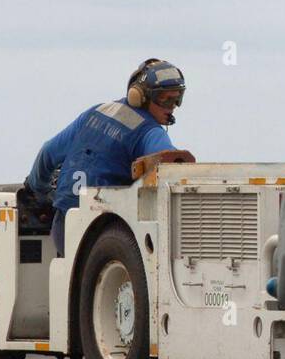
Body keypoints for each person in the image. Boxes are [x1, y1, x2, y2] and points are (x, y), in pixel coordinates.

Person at [24, 59, 187, 257]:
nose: (173, 106)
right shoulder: (150, 132)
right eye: (164, 99)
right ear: (141, 96)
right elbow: (172, 163)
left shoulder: (95, 112)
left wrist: (38, 190)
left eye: (177, 99)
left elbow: (48, 152)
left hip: (64, 224)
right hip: (106, 232)